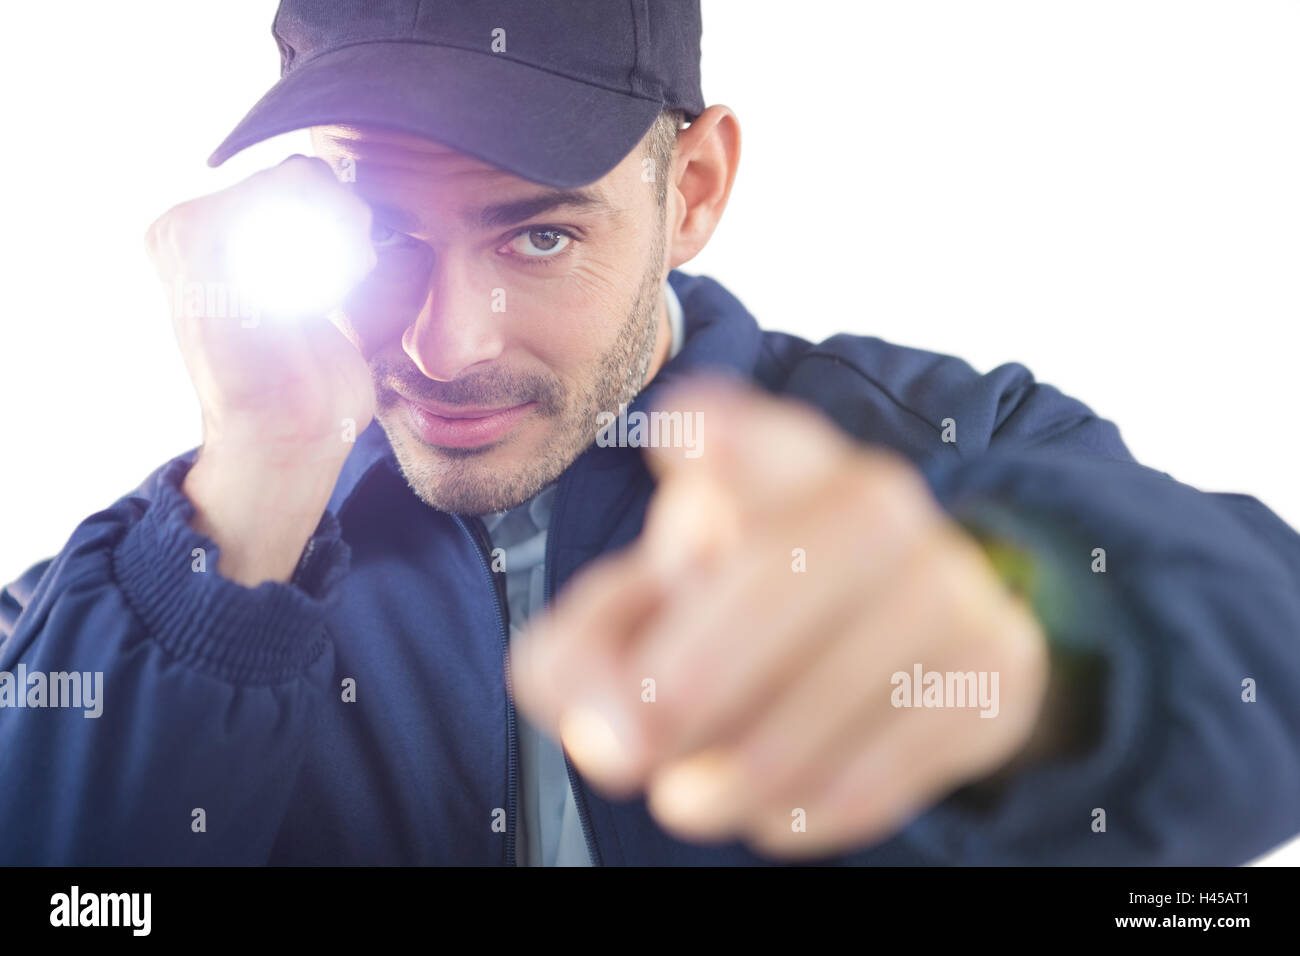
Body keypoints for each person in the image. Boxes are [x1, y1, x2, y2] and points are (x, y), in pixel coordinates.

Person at [2, 0, 1298, 866]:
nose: (448, 347)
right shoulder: (155, 571)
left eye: (542, 235)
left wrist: (1036, 661)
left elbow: (1270, 656)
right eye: (379, 238)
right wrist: (245, 514)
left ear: (696, 190)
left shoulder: (939, 450)